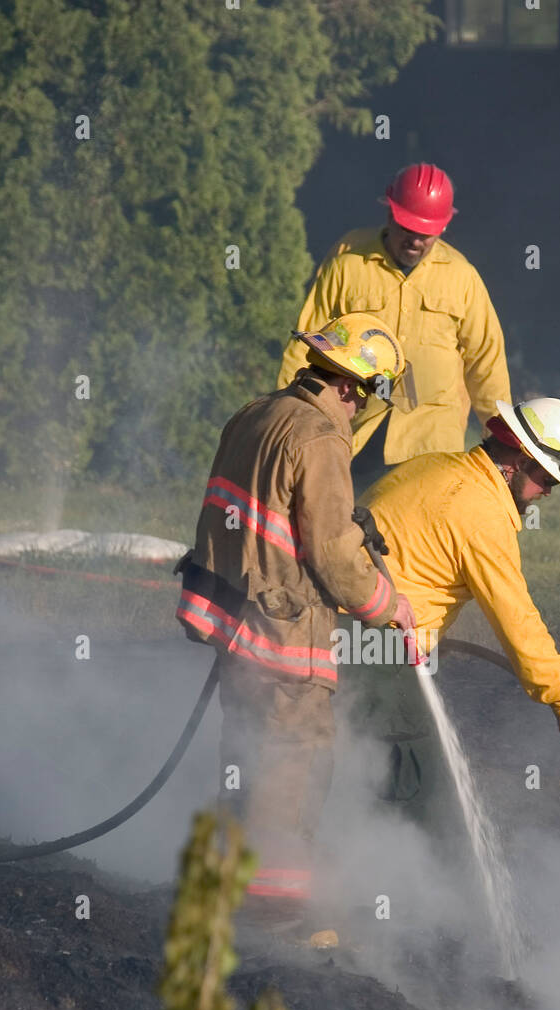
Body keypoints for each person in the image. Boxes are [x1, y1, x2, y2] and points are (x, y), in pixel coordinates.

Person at [176, 313, 415, 920]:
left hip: (234, 621)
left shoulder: (258, 412)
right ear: (351, 387)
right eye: (366, 397)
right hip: (283, 634)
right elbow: (333, 554)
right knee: (297, 755)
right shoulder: (321, 438)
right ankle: (273, 909)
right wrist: (389, 608)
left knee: (245, 750)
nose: (362, 410)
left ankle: (224, 881)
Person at [350, 395, 560, 819]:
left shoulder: (437, 466)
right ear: (519, 459)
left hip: (345, 629)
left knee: (360, 759)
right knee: (416, 784)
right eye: (546, 478)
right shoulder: (481, 511)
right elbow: (516, 618)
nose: (546, 492)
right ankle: (414, 879)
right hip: (375, 645)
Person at [277, 163, 510, 491]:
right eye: (407, 228)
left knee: (422, 535)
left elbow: (486, 363)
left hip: (431, 441)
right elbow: (309, 341)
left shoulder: (462, 277)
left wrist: (503, 442)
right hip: (357, 429)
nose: (414, 241)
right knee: (343, 526)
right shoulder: (349, 261)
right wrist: (285, 415)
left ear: (442, 228)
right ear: (390, 214)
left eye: (425, 233)